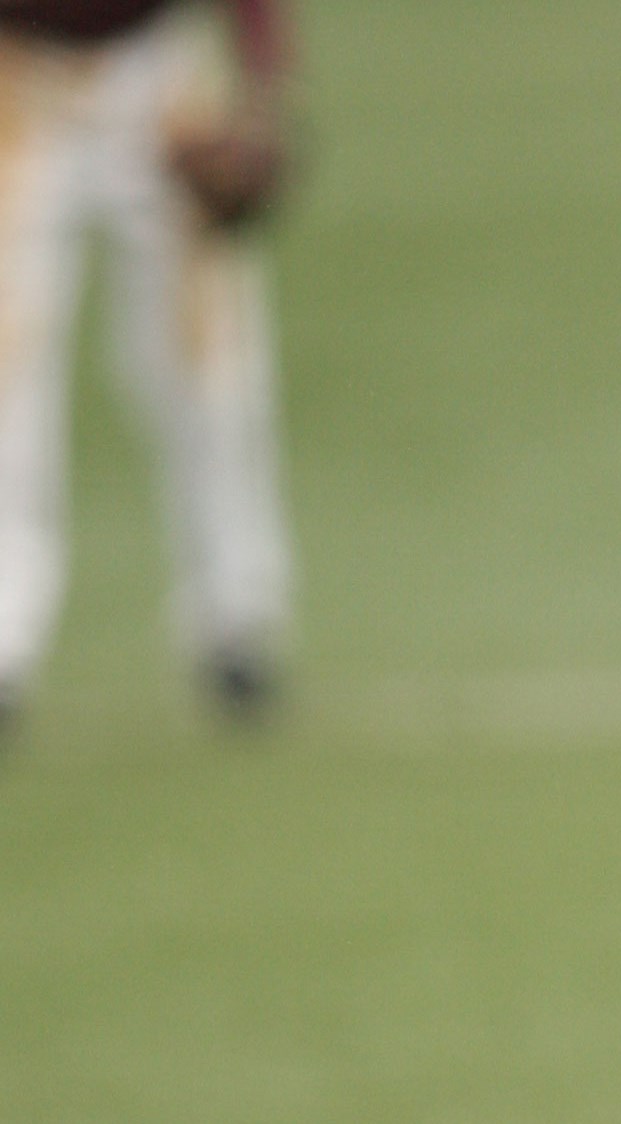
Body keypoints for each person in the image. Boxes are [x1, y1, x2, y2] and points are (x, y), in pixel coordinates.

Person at [0, 0, 295, 726]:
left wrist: (260, 90)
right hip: (16, 71)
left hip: (156, 75)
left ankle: (236, 618)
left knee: (210, 362)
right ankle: (4, 636)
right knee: (7, 367)